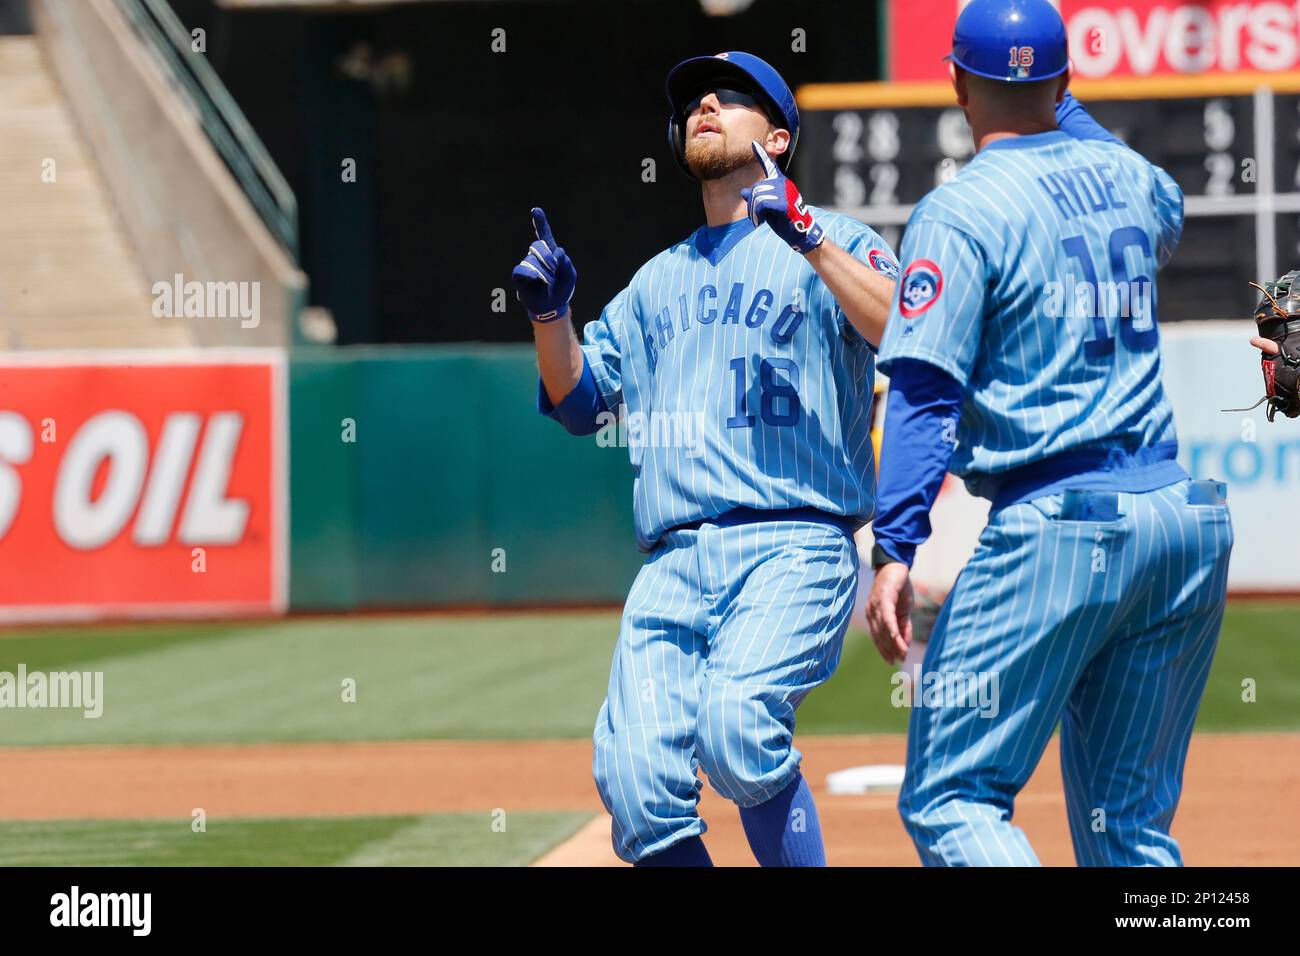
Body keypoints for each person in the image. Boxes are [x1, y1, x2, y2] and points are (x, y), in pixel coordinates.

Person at [866, 0, 1233, 866]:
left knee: (954, 799)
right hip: (1182, 521)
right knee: (1127, 826)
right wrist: (1061, 100)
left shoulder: (959, 212)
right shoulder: (1131, 179)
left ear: (956, 82)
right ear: (1066, 83)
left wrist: (895, 547)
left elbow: (922, 390)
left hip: (1058, 527)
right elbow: (1167, 206)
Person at [511, 51, 897, 866]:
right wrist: (552, 317)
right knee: (637, 782)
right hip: (673, 562)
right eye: (694, 101)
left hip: (795, 541)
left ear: (780, 136)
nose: (706, 106)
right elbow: (582, 404)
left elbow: (907, 329)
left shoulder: (842, 240)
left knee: (734, 725)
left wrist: (811, 236)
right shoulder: (656, 282)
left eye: (732, 98)